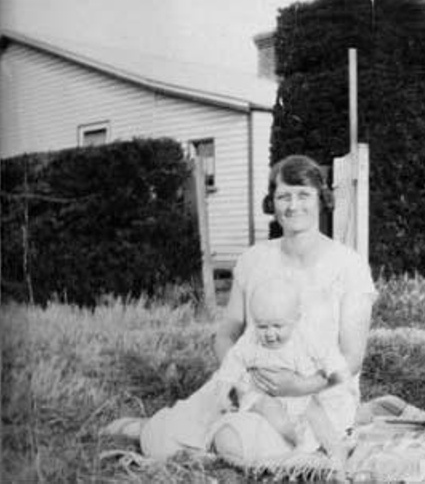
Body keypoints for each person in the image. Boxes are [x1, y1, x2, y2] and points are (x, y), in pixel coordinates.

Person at [101, 154, 376, 460]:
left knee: (233, 441)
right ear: (272, 203)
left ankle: (216, 437)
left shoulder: (349, 266)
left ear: (321, 199)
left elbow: (351, 359)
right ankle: (160, 428)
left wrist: (298, 386)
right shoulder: (254, 260)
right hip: (252, 385)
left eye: (303, 195)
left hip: (320, 395)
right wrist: (244, 381)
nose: (293, 205)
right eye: (283, 196)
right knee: (161, 441)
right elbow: (226, 335)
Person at [214, 276, 350, 462]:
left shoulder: (305, 337)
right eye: (262, 326)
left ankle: (335, 448)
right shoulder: (251, 341)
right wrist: (223, 391)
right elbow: (233, 361)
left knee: (315, 410)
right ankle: (300, 442)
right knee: (269, 408)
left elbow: (328, 355)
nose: (270, 334)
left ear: (296, 318)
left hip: (299, 394)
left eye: (278, 326)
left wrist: (335, 369)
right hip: (263, 394)